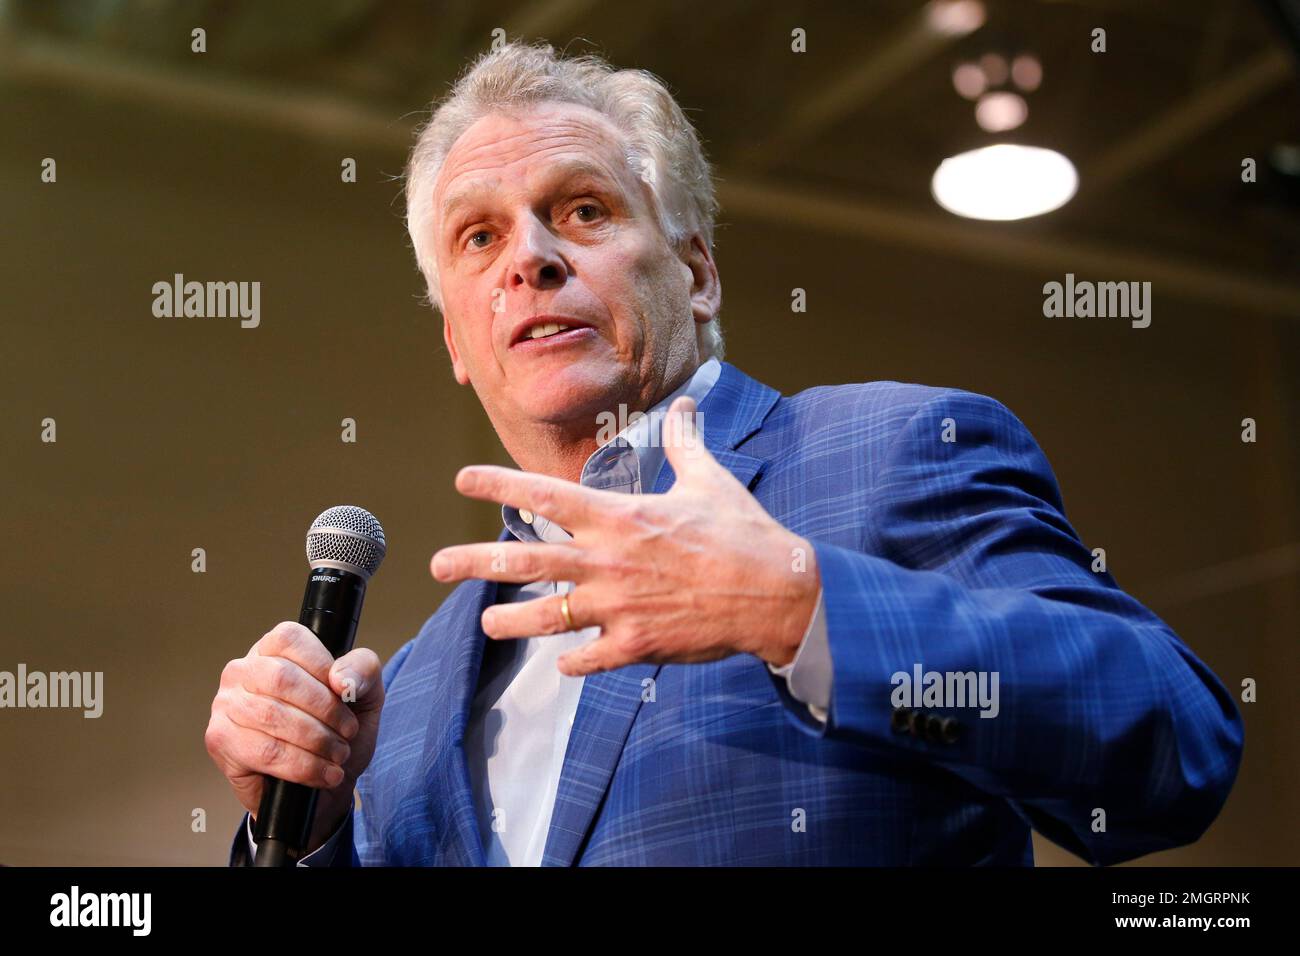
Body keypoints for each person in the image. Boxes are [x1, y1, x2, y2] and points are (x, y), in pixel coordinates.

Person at [205, 41, 1243, 866]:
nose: (529, 255)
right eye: (478, 237)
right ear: (456, 342)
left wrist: (796, 605)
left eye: (581, 209)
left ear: (698, 273)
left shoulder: (890, 451)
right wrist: (305, 829)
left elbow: (1171, 742)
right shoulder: (420, 678)